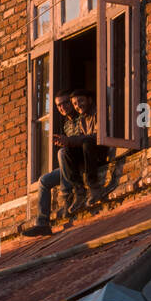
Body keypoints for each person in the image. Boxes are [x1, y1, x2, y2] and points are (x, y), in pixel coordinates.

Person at [23, 89, 110, 236]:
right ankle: (42, 222)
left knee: (62, 152)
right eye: (59, 106)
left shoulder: (82, 116)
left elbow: (87, 142)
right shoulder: (66, 124)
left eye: (66, 103)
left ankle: (68, 196)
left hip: (85, 161)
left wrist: (68, 142)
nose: (63, 107)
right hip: (71, 164)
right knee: (43, 181)